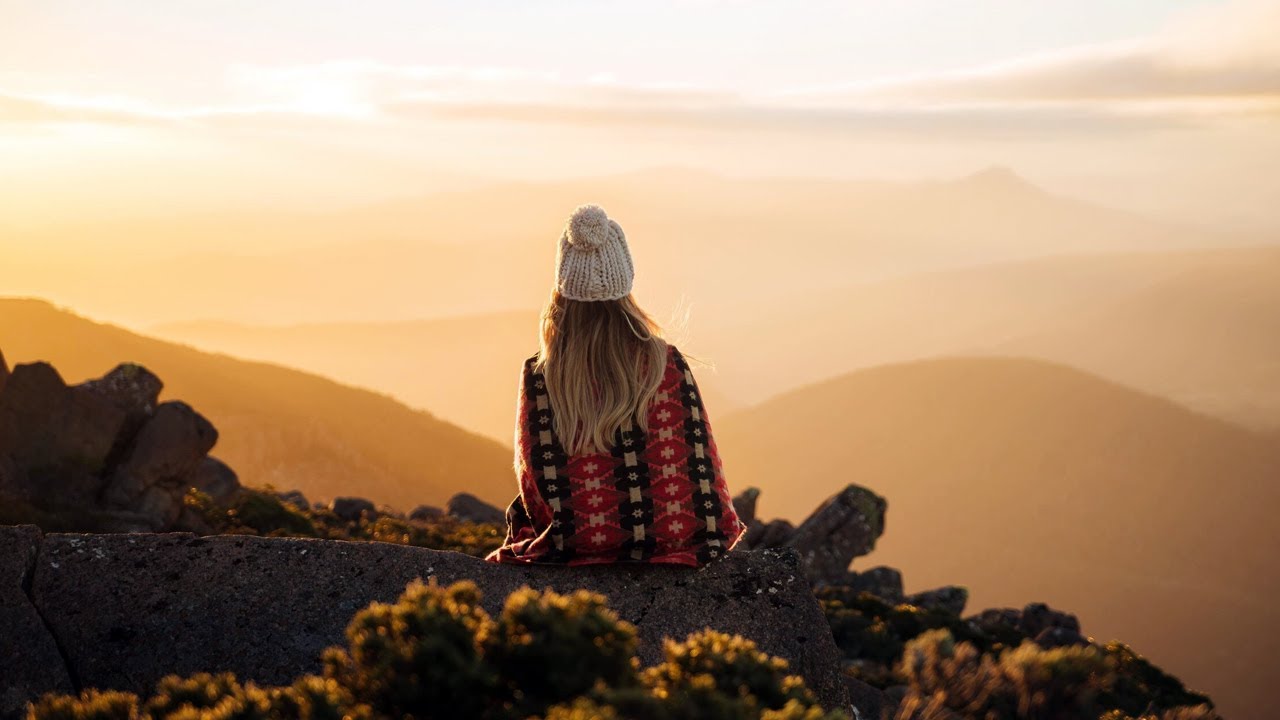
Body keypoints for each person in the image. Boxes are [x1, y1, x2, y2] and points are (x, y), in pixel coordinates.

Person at [484, 204, 747, 567]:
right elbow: (700, 466)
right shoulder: (666, 363)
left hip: (578, 541)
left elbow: (534, 481)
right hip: (675, 536)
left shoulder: (540, 375)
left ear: (562, 287)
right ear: (626, 282)